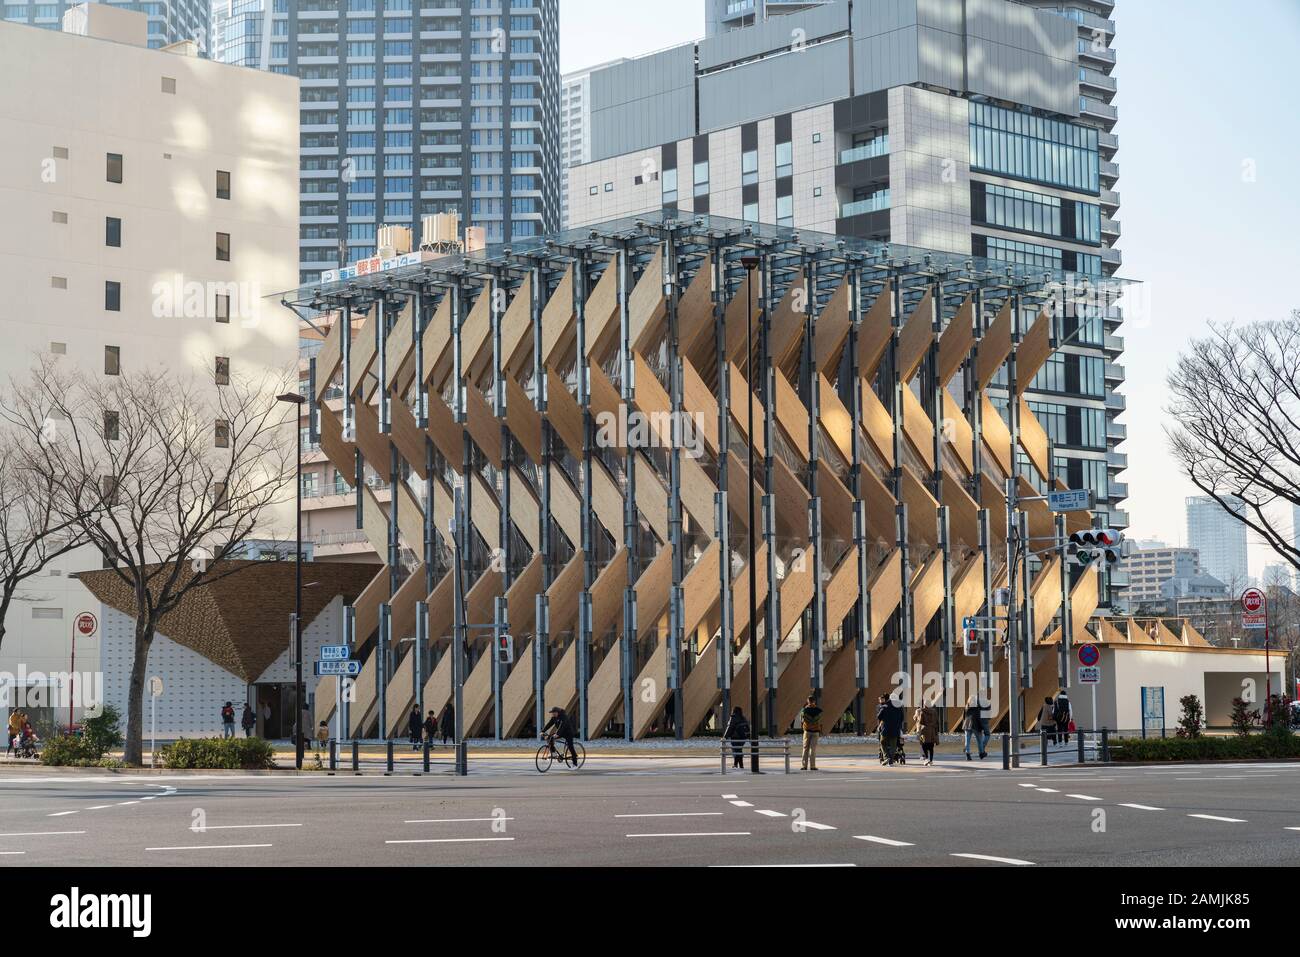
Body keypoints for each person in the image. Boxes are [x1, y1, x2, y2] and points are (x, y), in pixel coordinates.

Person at [876, 694, 905, 765]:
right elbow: (902, 718)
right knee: (893, 745)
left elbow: (879, 716)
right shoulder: (899, 707)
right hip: (895, 729)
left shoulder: (885, 706)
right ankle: (891, 761)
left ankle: (886, 757)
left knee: (882, 743)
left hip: (885, 728)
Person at [912, 696, 940, 766]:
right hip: (932, 730)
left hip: (924, 731)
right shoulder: (934, 712)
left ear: (924, 705)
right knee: (931, 746)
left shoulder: (922, 711)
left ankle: (926, 759)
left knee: (923, 744)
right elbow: (937, 721)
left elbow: (921, 721)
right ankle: (931, 760)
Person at [799, 695, 823, 771]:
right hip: (815, 732)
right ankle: (812, 766)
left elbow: (802, 720)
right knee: (813, 749)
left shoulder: (804, 711)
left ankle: (804, 766)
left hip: (807, 731)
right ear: (814, 701)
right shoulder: (819, 711)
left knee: (805, 748)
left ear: (808, 701)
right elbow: (819, 721)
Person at [963, 695, 988, 760]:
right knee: (979, 740)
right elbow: (979, 718)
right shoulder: (977, 708)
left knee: (967, 740)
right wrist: (982, 727)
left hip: (967, 725)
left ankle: (967, 755)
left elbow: (964, 717)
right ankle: (981, 753)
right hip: (975, 725)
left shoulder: (966, 707)